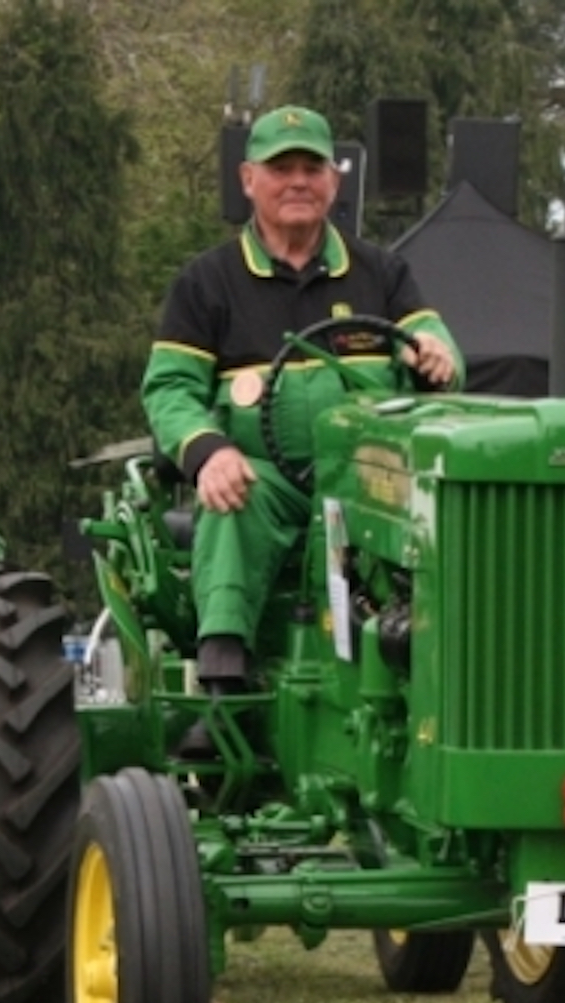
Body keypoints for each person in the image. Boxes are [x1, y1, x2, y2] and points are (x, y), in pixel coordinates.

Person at [141, 105, 462, 751]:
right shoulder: (208, 282)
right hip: (273, 482)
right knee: (237, 495)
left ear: (333, 183)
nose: (297, 181)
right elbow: (171, 390)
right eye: (280, 168)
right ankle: (227, 689)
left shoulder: (382, 273)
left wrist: (436, 356)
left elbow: (435, 343)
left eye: (310, 168)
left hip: (371, 486)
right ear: (249, 179)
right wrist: (208, 453)